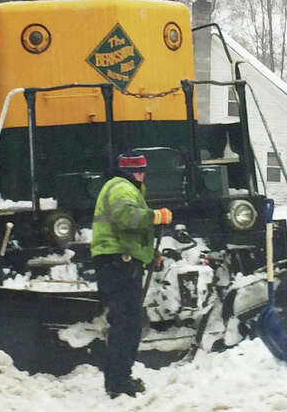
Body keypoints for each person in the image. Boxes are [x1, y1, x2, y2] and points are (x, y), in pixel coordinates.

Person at [90, 150, 172, 399]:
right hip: (118, 264)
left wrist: (147, 255)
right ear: (128, 171)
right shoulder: (121, 187)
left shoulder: (123, 187)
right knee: (127, 324)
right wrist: (156, 216)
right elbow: (127, 218)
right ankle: (118, 382)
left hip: (118, 262)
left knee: (126, 323)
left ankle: (117, 379)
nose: (142, 175)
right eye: (138, 171)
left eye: (143, 170)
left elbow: (129, 235)